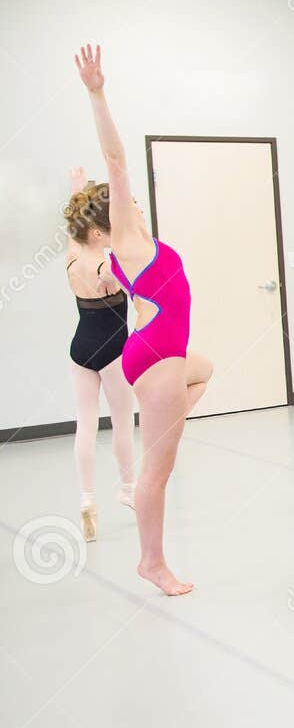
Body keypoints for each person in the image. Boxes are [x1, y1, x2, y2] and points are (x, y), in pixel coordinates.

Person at [73, 45, 213, 595]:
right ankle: (151, 562)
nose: (133, 203)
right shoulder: (126, 240)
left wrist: (76, 189)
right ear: (111, 220)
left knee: (206, 370)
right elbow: (116, 160)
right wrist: (97, 93)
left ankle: (166, 424)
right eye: (121, 204)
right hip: (154, 355)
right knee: (158, 474)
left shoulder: (126, 248)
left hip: (158, 353)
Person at [61, 166, 136, 540]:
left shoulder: (74, 255)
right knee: (122, 421)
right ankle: (127, 488)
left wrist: (78, 187)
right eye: (106, 230)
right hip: (113, 351)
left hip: (80, 349)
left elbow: (76, 219)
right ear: (96, 233)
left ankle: (87, 498)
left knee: (85, 426)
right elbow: (133, 275)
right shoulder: (105, 266)